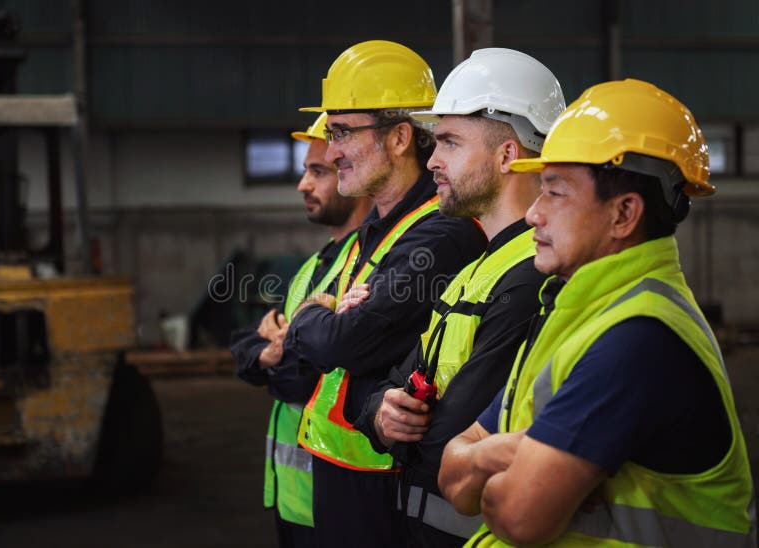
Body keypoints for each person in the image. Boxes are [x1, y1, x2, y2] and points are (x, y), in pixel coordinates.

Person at [439, 79, 757, 548]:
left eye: (555, 192)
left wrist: (484, 461)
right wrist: (507, 451)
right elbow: (452, 476)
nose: (533, 214)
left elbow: (517, 517)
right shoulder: (572, 313)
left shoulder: (639, 340)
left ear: (623, 214)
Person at [351, 48, 566, 547]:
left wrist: (399, 431)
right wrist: (383, 413)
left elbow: (446, 440)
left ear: (507, 155)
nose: (432, 161)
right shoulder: (475, 270)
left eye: (449, 142)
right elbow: (382, 393)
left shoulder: (530, 279)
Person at [284, 40, 487, 547]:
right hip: (345, 469)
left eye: (342, 133)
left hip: (382, 482)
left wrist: (313, 312)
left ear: (399, 137)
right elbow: (332, 341)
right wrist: (326, 323)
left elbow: (340, 344)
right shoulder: (376, 228)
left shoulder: (437, 236)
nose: (331, 153)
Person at [230, 112, 372, 548]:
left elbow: (302, 375)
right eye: (304, 172)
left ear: (354, 175)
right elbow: (247, 347)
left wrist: (279, 354)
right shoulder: (315, 266)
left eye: (318, 172)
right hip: (295, 498)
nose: (303, 185)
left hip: (338, 500)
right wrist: (271, 352)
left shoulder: (366, 265)